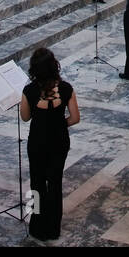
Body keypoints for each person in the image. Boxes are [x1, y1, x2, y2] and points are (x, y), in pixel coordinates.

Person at [19, 48, 79, 241]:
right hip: (59, 141)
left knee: (36, 184)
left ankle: (37, 226)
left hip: (37, 142)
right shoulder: (66, 88)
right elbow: (75, 118)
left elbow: (26, 117)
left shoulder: (29, 91)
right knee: (55, 183)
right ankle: (53, 228)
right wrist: (60, 124)